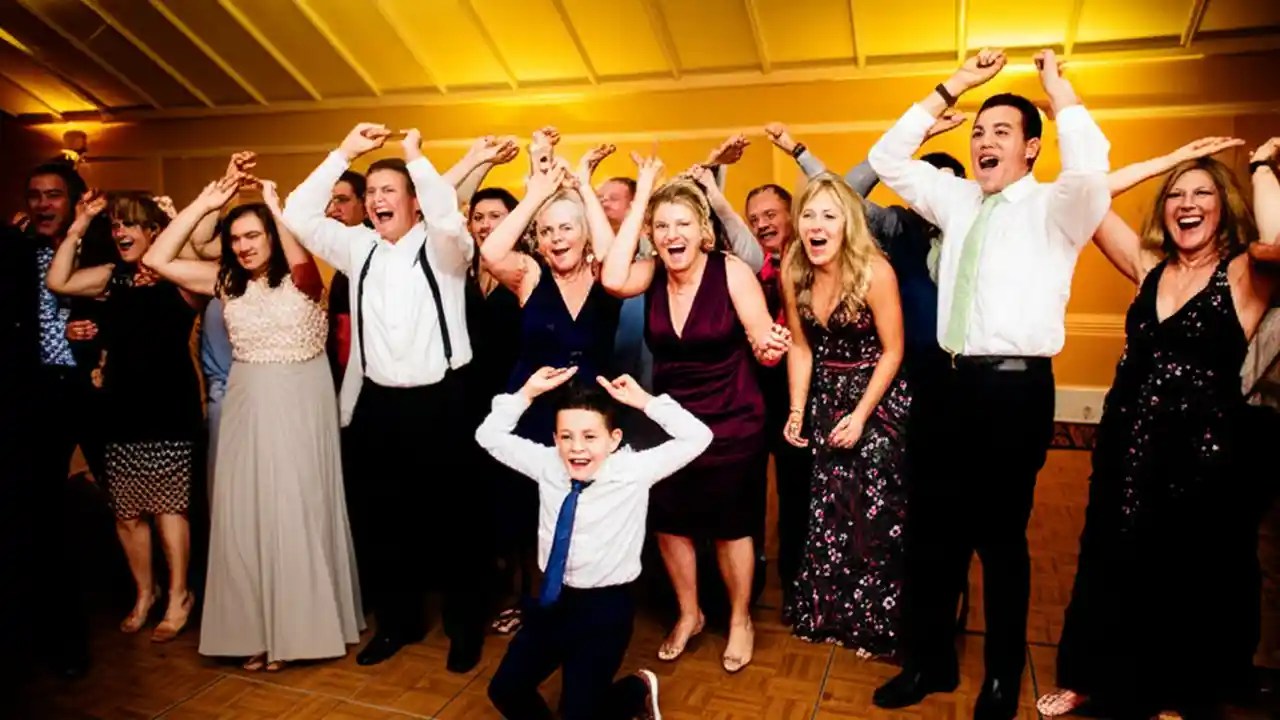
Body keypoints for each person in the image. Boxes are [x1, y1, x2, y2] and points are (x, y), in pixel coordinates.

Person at [867, 48, 1111, 720]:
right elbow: (887, 159)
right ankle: (930, 663)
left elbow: (1091, 170)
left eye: (1001, 132)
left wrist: (1057, 90)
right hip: (945, 388)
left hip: (1014, 394)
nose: (983, 141)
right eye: (978, 132)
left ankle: (1002, 676)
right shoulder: (958, 201)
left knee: (1000, 542)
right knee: (931, 536)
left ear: (1032, 149)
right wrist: (956, 88)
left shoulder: (1058, 208)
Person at [1036, 136, 1279, 717]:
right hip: (1125, 446)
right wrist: (1166, 159)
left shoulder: (1244, 275)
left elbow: (1277, 242)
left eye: (1201, 192)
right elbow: (1086, 204)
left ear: (1225, 206)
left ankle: (1174, 692)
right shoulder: (1150, 268)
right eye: (1175, 194)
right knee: (1107, 561)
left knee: (1188, 576)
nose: (1186, 203)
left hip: (1200, 460)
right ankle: (1091, 676)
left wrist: (1263, 167)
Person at [281, 124, 484, 671]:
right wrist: (344, 151)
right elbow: (298, 214)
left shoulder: (445, 247)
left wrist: (417, 159)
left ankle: (465, 631)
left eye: (388, 191)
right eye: (371, 193)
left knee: (454, 523)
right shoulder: (357, 247)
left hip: (444, 402)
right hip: (380, 405)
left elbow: (446, 216)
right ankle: (399, 624)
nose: (376, 200)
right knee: (386, 520)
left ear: (414, 201)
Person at [144, 172, 364, 673]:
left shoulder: (308, 279)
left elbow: (302, 266)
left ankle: (298, 629)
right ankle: (258, 629)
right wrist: (207, 199)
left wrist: (275, 208)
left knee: (294, 509)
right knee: (246, 513)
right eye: (236, 238)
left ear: (272, 236)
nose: (243, 247)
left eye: (252, 236)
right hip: (247, 403)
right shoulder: (223, 280)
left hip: (300, 401)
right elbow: (156, 258)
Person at [601, 155, 790, 673]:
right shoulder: (652, 273)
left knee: (732, 527)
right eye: (662, 227)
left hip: (732, 419)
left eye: (682, 223)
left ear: (702, 232)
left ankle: (739, 619)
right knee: (670, 523)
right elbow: (613, 278)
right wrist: (643, 196)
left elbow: (762, 345)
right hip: (670, 422)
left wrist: (772, 345)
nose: (671, 234)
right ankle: (689, 613)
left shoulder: (730, 271)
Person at [476, 366, 713, 720]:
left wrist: (646, 402)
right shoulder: (546, 464)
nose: (577, 448)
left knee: (580, 713)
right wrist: (526, 393)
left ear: (613, 439)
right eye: (566, 437)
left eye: (590, 436)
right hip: (552, 601)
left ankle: (636, 689)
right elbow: (488, 435)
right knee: (505, 690)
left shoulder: (634, 470)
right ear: (555, 439)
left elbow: (699, 437)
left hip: (605, 610)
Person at [46, 191, 204, 644]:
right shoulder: (111, 278)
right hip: (118, 405)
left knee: (170, 508)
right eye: (116, 225)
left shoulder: (178, 279)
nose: (120, 232)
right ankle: (145, 593)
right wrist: (80, 223)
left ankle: (178, 597)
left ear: (154, 232)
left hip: (169, 407)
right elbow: (58, 282)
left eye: (130, 224)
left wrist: (176, 220)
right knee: (128, 512)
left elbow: (201, 274)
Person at [780, 172, 911, 657]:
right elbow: (800, 345)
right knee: (832, 511)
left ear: (848, 224)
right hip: (825, 400)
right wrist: (797, 409)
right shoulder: (794, 270)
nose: (816, 224)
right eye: (809, 214)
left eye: (829, 215)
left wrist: (860, 417)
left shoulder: (876, 271)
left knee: (875, 517)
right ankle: (833, 615)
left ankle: (879, 624)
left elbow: (894, 351)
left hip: (877, 402)